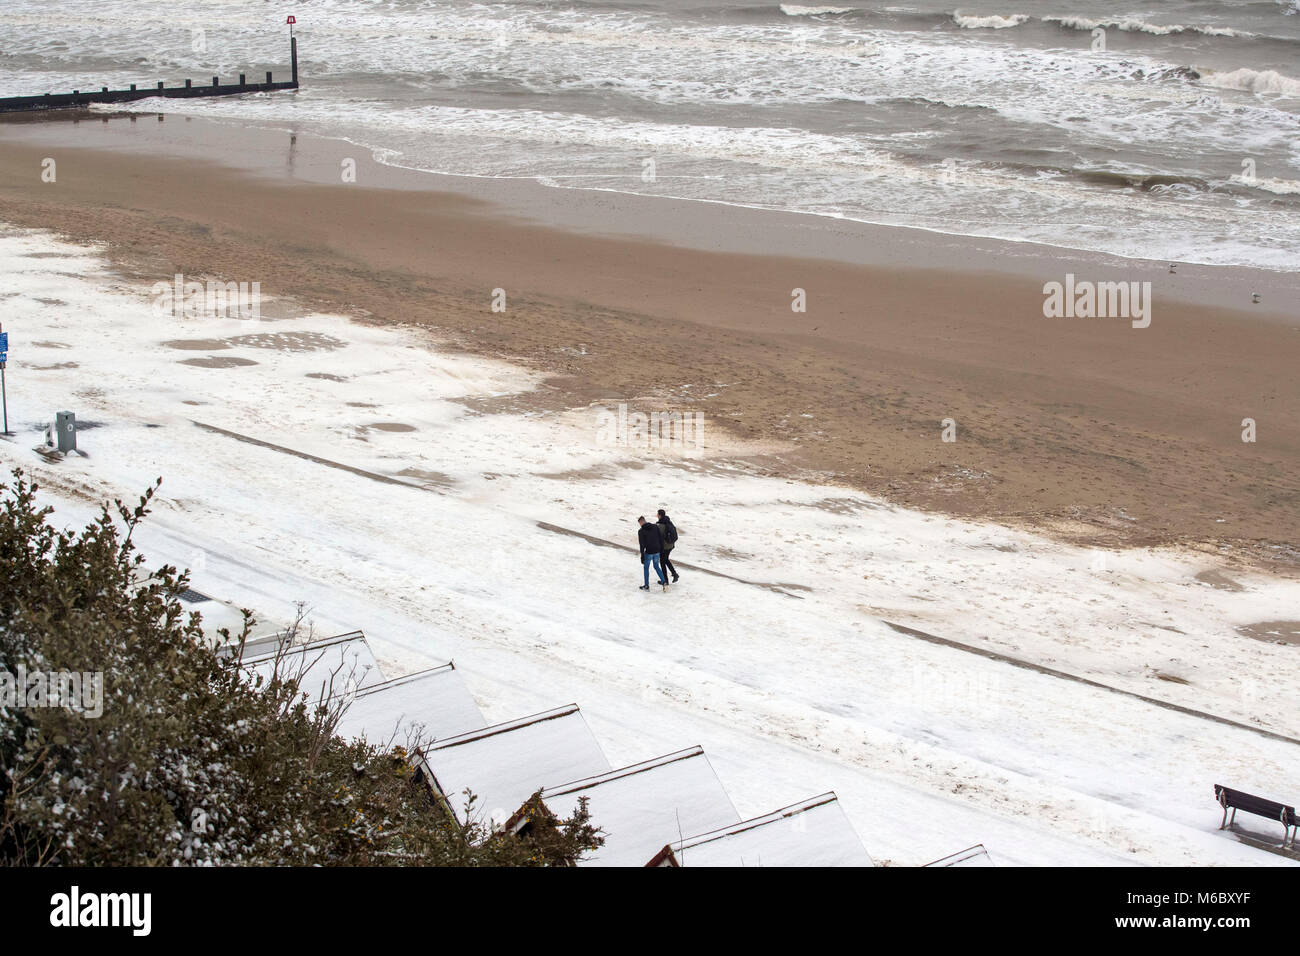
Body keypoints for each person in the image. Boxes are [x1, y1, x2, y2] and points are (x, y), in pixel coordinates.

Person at [636, 515, 669, 590]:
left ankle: (646, 586)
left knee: (646, 568)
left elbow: (642, 545)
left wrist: (642, 555)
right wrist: (661, 549)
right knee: (656, 566)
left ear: (641, 522)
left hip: (649, 552)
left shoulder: (641, 531)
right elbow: (660, 538)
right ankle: (664, 582)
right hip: (657, 551)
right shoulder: (655, 526)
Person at [656, 509, 680, 583]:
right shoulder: (668, 522)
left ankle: (665, 580)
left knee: (662, 562)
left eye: (657, 514)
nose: (656, 515)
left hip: (664, 547)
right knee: (665, 559)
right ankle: (674, 574)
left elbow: (658, 537)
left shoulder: (660, 525)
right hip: (671, 545)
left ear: (659, 515)